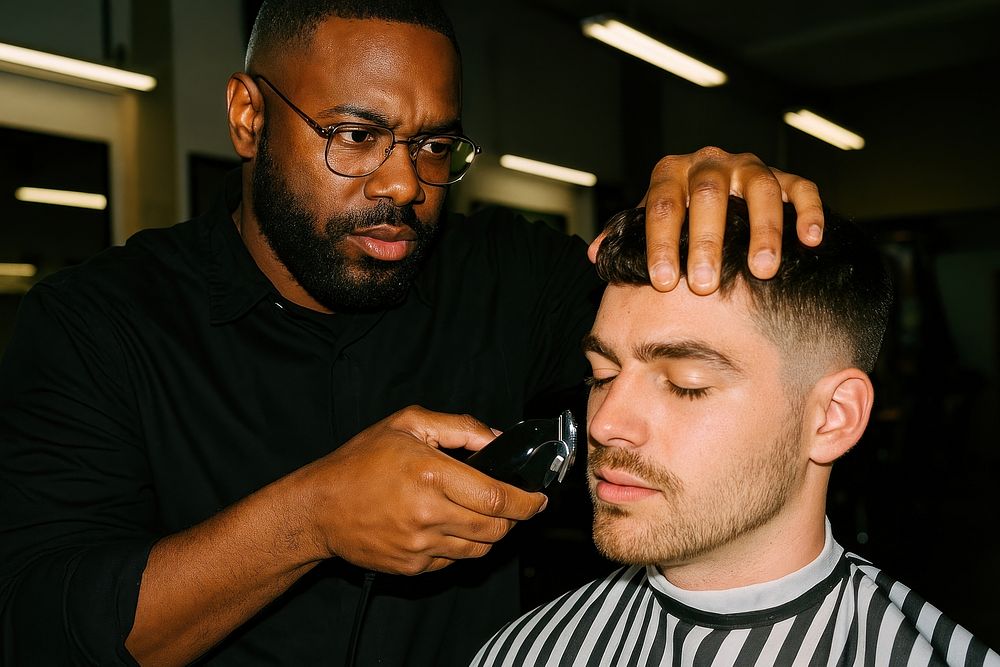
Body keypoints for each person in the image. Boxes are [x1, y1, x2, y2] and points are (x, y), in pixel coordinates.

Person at [0, 2, 826, 666]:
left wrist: (709, 211)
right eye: (355, 136)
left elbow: (689, 314)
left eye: (434, 146)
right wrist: (310, 517)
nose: (404, 182)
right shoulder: (96, 324)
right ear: (248, 117)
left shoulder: (501, 278)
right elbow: (46, 626)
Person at [472, 199, 1000, 666]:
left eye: (685, 384)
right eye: (602, 376)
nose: (606, 424)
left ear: (832, 416)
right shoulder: (521, 650)